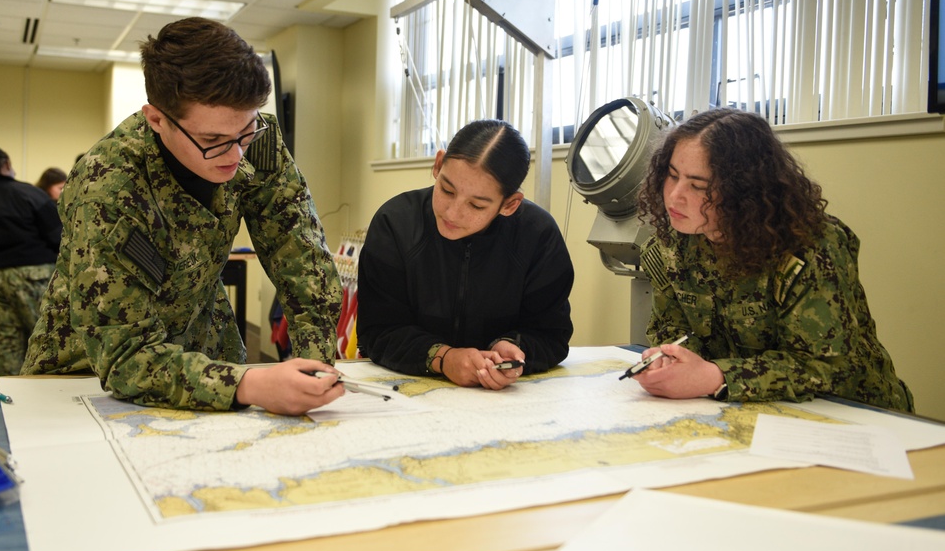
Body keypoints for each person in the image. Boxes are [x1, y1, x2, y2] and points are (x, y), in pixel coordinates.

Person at [21, 17, 345, 415]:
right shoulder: (108, 187)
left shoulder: (253, 137)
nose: (235, 155)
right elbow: (124, 358)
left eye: (246, 131)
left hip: (203, 353)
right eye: (212, 141)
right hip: (87, 377)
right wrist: (248, 383)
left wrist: (316, 367)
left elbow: (300, 252)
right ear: (157, 119)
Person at [632, 107, 914, 412]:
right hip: (741, 410)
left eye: (698, 186)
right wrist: (669, 360)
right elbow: (670, 330)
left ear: (742, 193)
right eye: (672, 176)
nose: (674, 196)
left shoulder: (810, 247)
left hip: (852, 414)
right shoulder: (674, 243)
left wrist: (714, 376)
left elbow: (825, 367)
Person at [357, 119, 574, 390]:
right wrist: (443, 358)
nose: (452, 213)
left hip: (501, 402)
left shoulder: (537, 235)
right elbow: (378, 331)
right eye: (447, 190)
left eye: (476, 205)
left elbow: (552, 334)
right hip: (406, 393)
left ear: (509, 204)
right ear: (438, 165)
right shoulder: (396, 223)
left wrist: (513, 348)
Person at [0, 146, 62, 375]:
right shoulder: (30, 194)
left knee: (6, 346)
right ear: (6, 165)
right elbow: (57, 235)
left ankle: (10, 398)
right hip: (33, 276)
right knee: (45, 341)